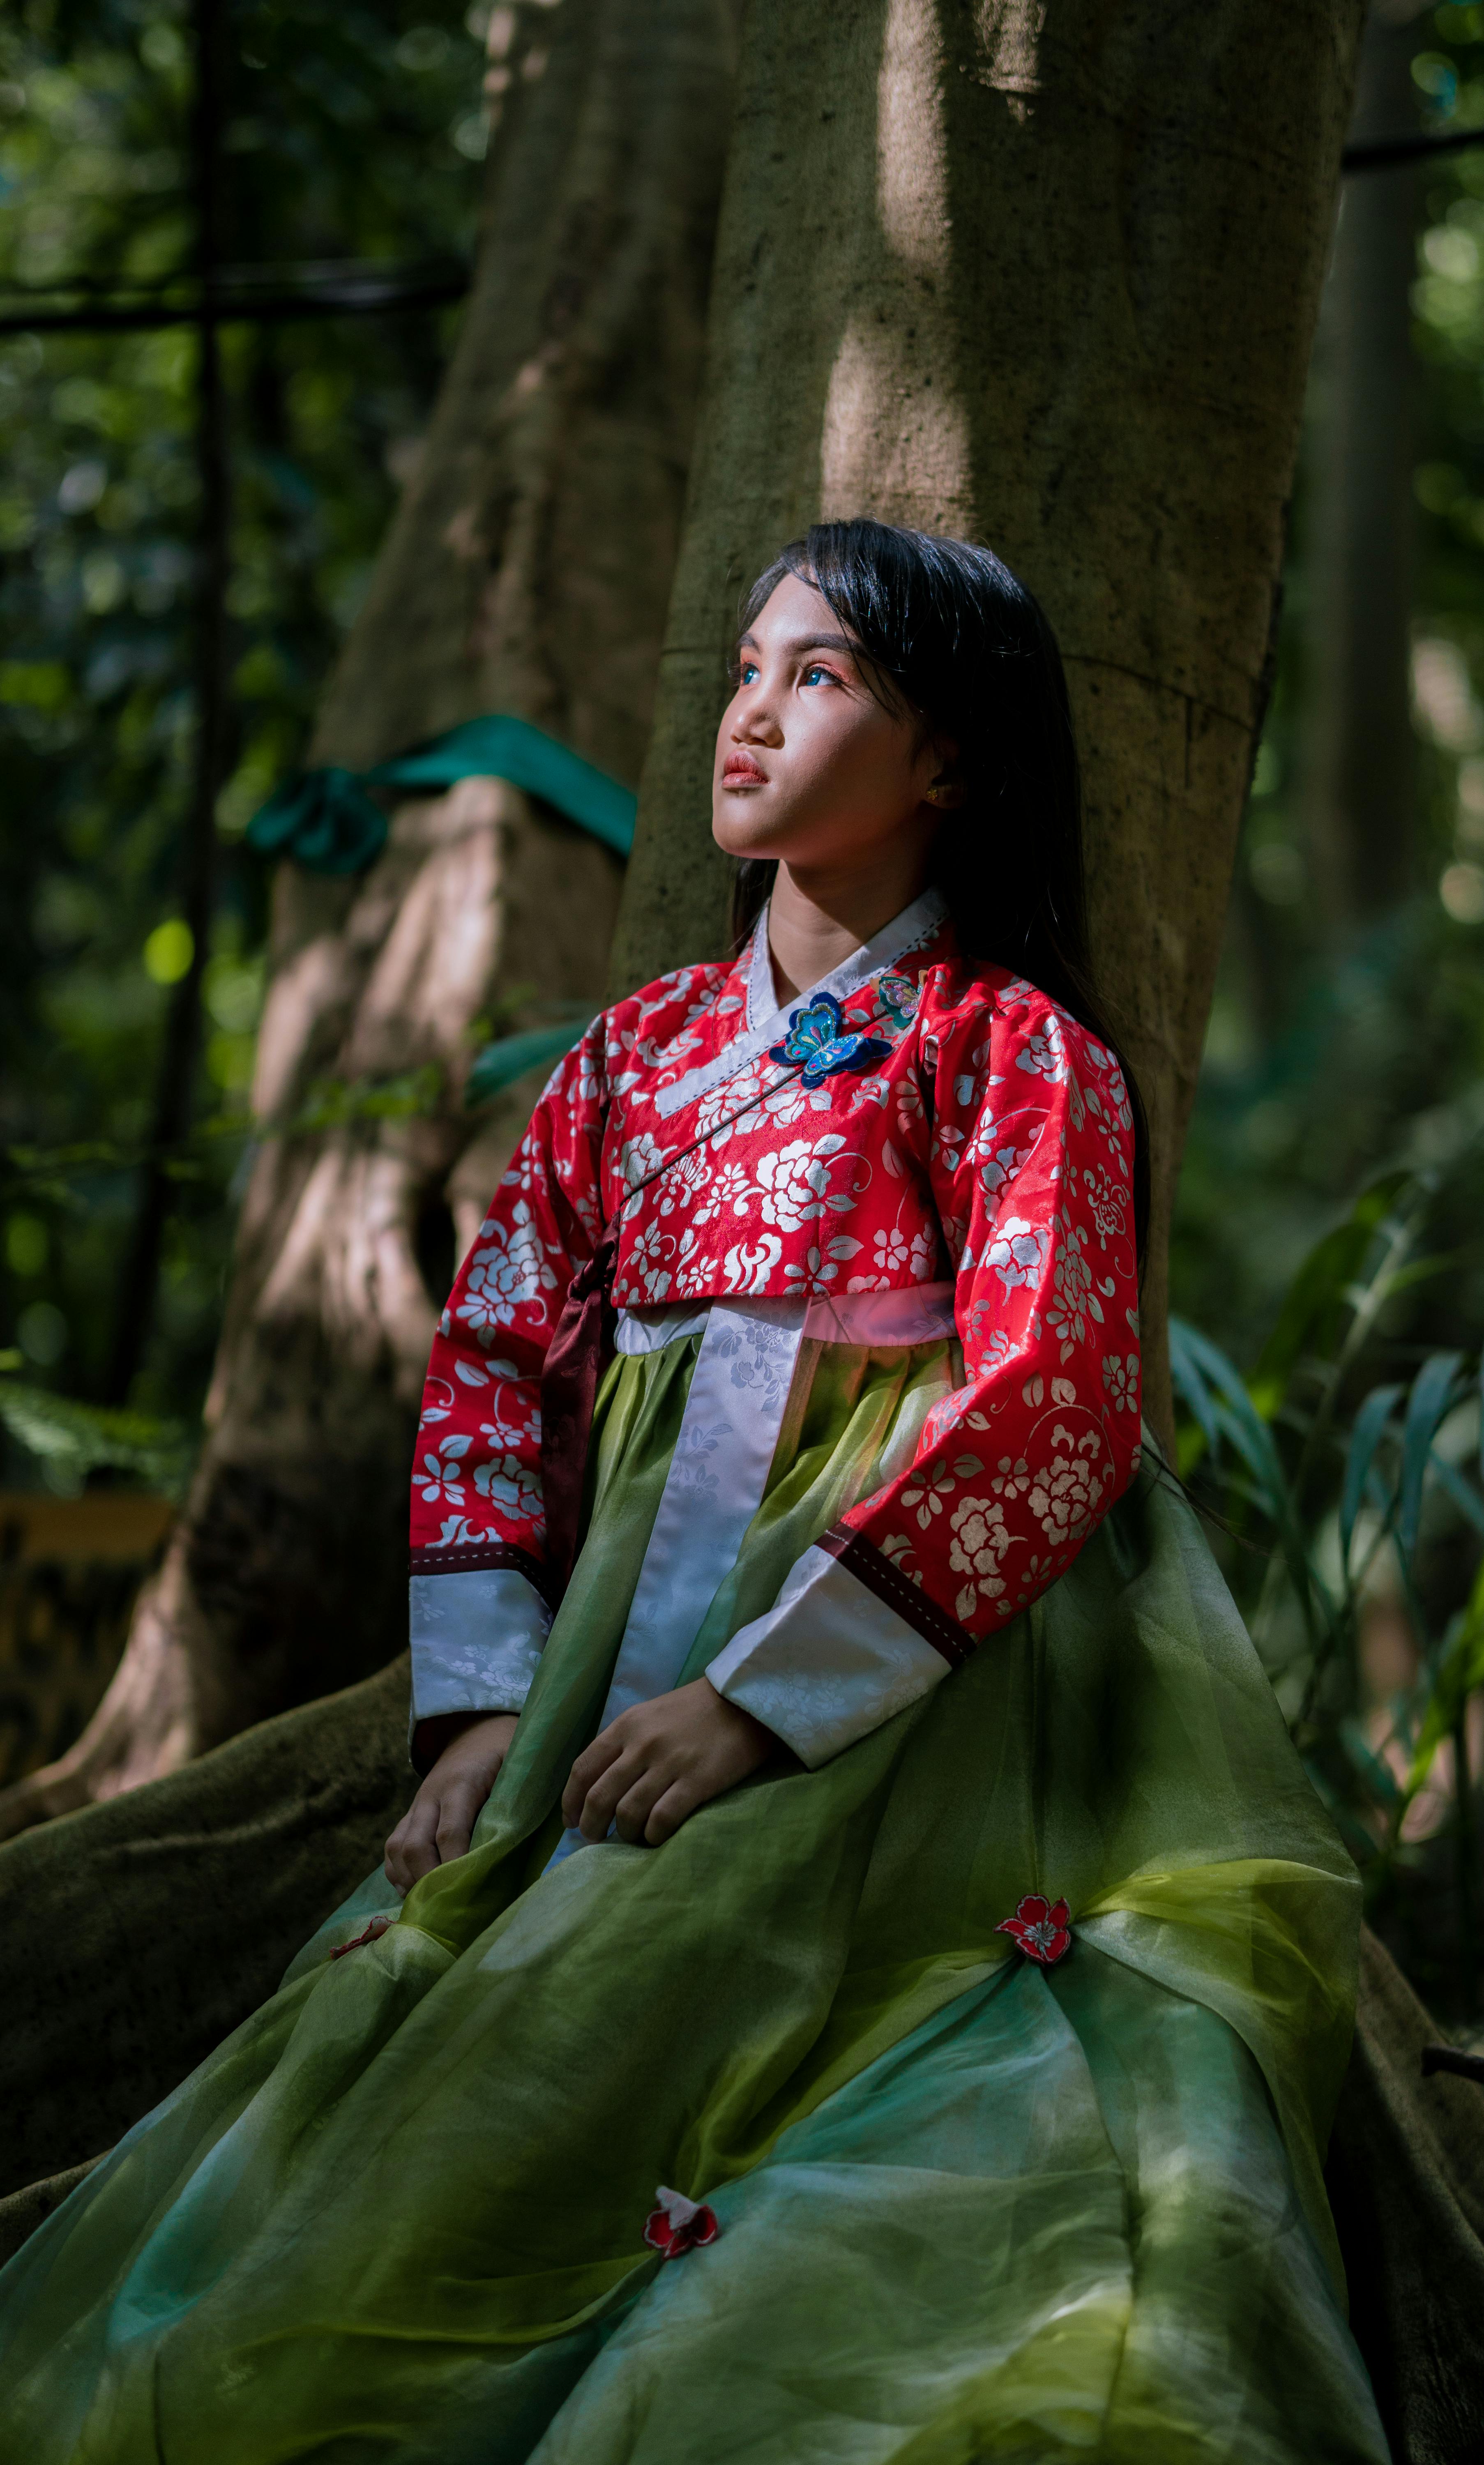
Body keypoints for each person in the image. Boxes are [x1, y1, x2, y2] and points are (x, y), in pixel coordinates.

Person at [0, 521, 1390, 2463]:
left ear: (954, 763)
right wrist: (481, 1713)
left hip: (919, 1722)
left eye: (820, 678)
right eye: (747, 667)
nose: (749, 712)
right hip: (590, 1692)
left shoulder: (1012, 1054)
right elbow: (492, 1364)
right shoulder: (629, 1059)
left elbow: (1047, 1404)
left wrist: (760, 1702)